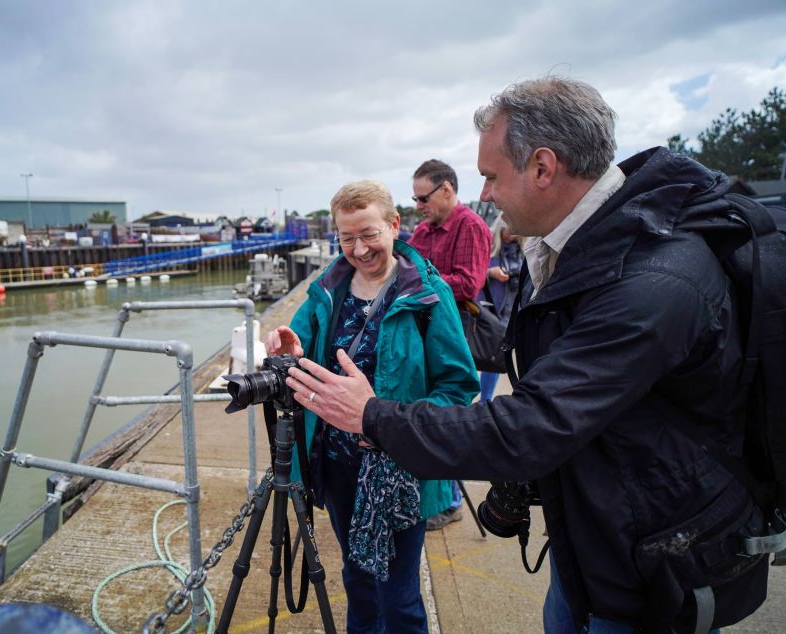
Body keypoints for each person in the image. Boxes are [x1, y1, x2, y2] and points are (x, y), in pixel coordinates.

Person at [282, 77, 768, 633]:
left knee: (399, 597)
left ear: (542, 167)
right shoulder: (580, 254)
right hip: (597, 544)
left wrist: (372, 416)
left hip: (647, 570)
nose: (484, 193)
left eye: (490, 176)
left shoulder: (651, 280)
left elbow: (529, 426)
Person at [265, 179, 477, 633]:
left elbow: (458, 385)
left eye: (369, 234)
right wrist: (286, 349)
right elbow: (297, 350)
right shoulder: (327, 290)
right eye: (346, 238)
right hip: (338, 464)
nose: (358, 249)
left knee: (399, 596)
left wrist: (389, 419)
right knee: (357, 580)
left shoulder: (428, 294)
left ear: (395, 225)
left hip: (402, 468)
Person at [408, 159, 492, 530]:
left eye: (423, 197)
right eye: (415, 198)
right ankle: (434, 495)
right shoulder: (424, 231)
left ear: (446, 190)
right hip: (422, 334)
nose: (418, 206)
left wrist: (421, 279)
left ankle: (451, 501)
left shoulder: (470, 226)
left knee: (450, 418)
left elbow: (468, 283)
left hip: (453, 336)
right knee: (426, 415)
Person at [476, 214, 524, 402]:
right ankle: (467, 395)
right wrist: (490, 272)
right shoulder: (486, 245)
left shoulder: (523, 250)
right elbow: (473, 275)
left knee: (494, 357)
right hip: (486, 308)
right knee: (473, 352)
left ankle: (486, 399)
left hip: (509, 310)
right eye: (507, 232)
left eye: (514, 233)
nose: (510, 236)